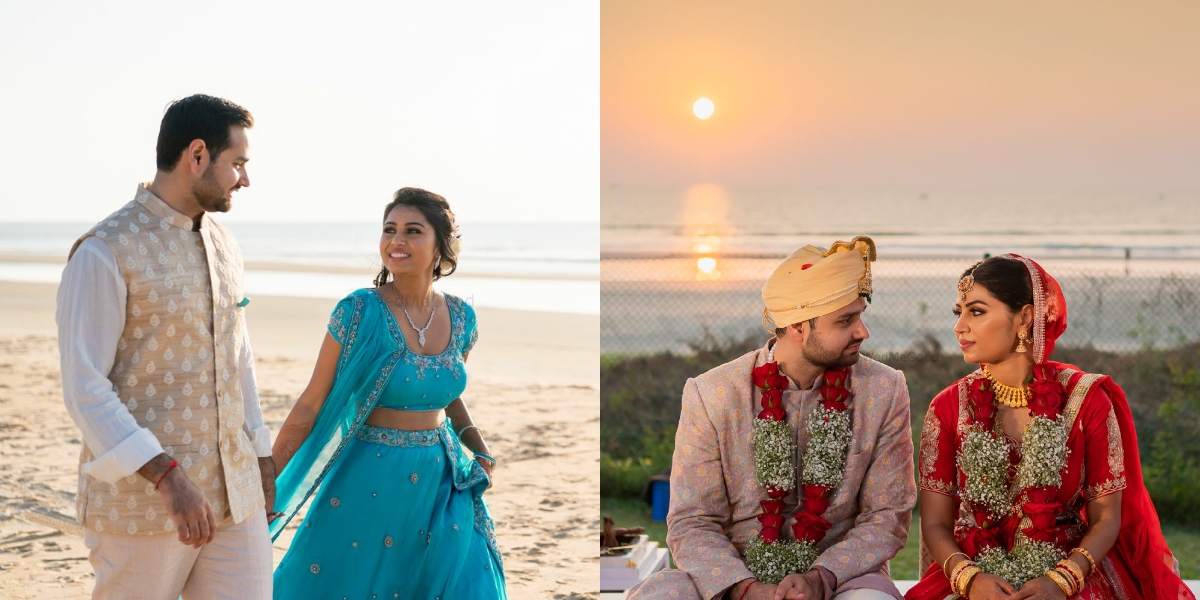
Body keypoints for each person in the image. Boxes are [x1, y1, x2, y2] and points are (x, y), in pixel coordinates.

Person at [56, 94, 274, 599]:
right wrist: (167, 478)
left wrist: (261, 456)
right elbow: (85, 388)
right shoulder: (105, 251)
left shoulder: (225, 244)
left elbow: (237, 357)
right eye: (237, 163)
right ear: (196, 155)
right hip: (142, 507)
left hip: (236, 498)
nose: (245, 179)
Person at [628, 237, 916, 600]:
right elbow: (693, 521)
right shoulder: (713, 393)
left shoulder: (883, 389)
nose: (862, 332)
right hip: (731, 575)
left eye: (860, 315)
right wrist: (746, 588)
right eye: (846, 320)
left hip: (843, 577)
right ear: (797, 326)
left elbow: (888, 515)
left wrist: (821, 576)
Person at [906, 255, 1195, 600]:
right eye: (959, 312)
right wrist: (970, 579)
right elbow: (936, 523)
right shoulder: (949, 407)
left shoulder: (1086, 399)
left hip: (1069, 568)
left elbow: (1106, 518)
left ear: (1025, 317)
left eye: (977, 311)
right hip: (976, 570)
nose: (960, 327)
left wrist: (1062, 581)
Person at [269, 187, 505, 599]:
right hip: (369, 475)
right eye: (389, 230)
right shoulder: (360, 311)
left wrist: (481, 449)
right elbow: (311, 402)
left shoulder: (462, 317)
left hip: (442, 476)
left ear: (440, 248)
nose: (397, 241)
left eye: (413, 231)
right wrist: (269, 475)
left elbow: (445, 395)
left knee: (465, 579)